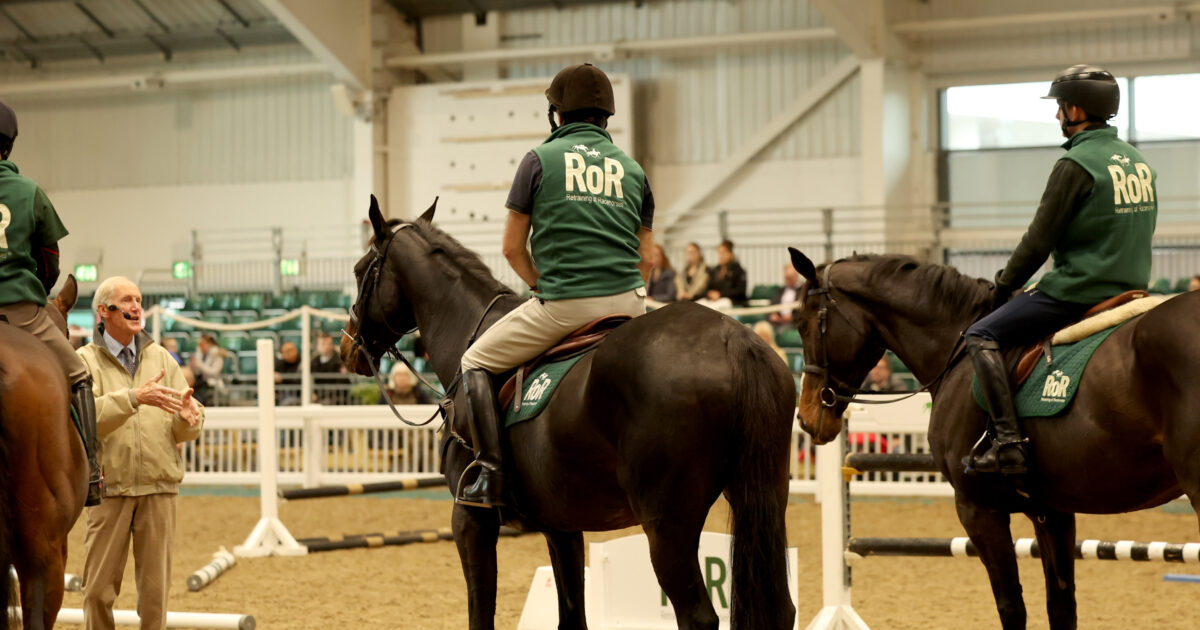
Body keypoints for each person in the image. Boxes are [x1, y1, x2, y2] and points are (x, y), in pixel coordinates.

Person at [456, 62, 654, 508]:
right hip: (631, 306)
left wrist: (541, 286)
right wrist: (628, 295)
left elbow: (511, 249)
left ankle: (490, 474)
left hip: (566, 304)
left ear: (557, 114)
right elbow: (649, 258)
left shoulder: (538, 161)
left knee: (474, 360)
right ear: (607, 116)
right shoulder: (635, 171)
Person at [963, 65, 1157, 476]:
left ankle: (1007, 441)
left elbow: (1038, 241)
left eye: (1060, 107)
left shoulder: (1076, 164)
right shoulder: (1139, 162)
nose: (1057, 117)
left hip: (1078, 291)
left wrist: (1004, 285)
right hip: (1134, 290)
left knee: (981, 333)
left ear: (1078, 109)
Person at [76, 276, 204, 630]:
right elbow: (85, 419)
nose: (136, 306)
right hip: (108, 490)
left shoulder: (161, 357)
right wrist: (133, 398)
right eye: (127, 300)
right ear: (104, 311)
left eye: (139, 300)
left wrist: (190, 418)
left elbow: (187, 416)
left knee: (155, 596)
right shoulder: (83, 362)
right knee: (97, 592)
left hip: (159, 488)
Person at [0, 99, 103, 505]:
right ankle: (92, 473)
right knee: (79, 376)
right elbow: (50, 259)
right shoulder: (29, 191)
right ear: (9, 145)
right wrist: (38, 292)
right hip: (24, 315)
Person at [697, 240, 747, 309]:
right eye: (719, 253)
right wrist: (710, 293)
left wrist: (720, 294)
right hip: (714, 300)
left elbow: (740, 291)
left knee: (718, 306)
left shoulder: (738, 270)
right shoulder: (715, 270)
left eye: (723, 253)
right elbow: (708, 287)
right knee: (699, 304)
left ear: (730, 254)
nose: (721, 256)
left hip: (731, 301)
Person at [310, 332, 348, 404]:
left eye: (329, 343)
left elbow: (342, 383)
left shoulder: (340, 361)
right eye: (323, 344)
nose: (327, 346)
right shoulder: (313, 362)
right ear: (317, 346)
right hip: (317, 398)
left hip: (336, 399)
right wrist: (312, 393)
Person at [188, 334, 224, 406]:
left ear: (209, 343)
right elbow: (197, 372)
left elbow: (214, 372)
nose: (200, 346)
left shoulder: (218, 354)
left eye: (202, 344)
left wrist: (199, 364)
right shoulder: (202, 354)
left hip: (212, 381)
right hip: (201, 380)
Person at [768, 264, 803, 331]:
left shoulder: (803, 290)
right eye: (786, 278)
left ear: (796, 276)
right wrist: (773, 315)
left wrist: (793, 317)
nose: (787, 280)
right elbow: (771, 306)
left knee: (780, 331)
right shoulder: (780, 291)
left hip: (794, 323)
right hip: (777, 322)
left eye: (789, 278)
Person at [274, 341, 301, 405]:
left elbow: (298, 381)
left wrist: (282, 379)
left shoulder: (303, 363)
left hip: (296, 396)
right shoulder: (280, 363)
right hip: (280, 395)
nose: (289, 353)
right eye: (285, 351)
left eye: (291, 350)